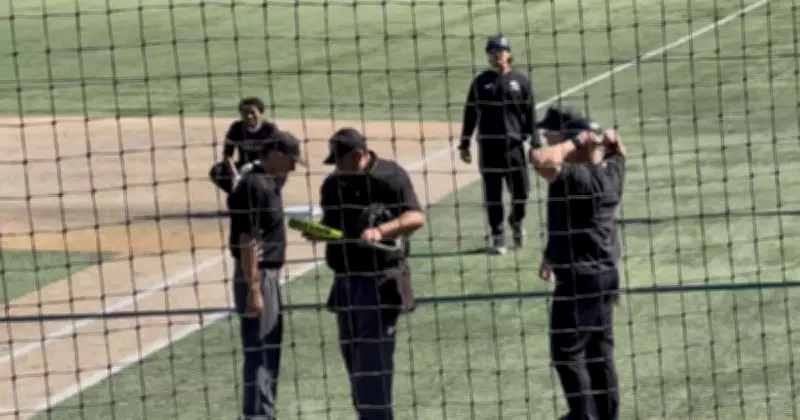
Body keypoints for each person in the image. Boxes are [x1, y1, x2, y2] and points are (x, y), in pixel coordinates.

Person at [306, 127, 425, 420]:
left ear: (358, 156)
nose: (336, 168)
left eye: (340, 161)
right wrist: (319, 233)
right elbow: (332, 224)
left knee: (373, 363)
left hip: (381, 281)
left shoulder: (391, 177)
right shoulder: (333, 185)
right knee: (354, 362)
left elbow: (415, 217)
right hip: (346, 283)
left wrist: (379, 231)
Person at [528, 105, 627, 420]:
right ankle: (606, 414)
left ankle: (585, 417)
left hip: (580, 280)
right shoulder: (613, 172)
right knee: (599, 352)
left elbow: (540, 159)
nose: (547, 138)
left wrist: (577, 141)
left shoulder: (575, 177)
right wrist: (607, 142)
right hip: (606, 276)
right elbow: (620, 152)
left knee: (567, 353)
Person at [227, 130, 306, 420]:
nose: (294, 168)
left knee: (267, 346)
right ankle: (259, 415)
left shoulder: (266, 182)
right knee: (260, 347)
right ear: (274, 155)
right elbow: (246, 239)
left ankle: (260, 412)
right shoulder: (254, 186)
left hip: (267, 275)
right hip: (258, 275)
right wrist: (255, 289)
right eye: (291, 160)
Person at [458, 35, 538, 254]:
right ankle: (498, 234)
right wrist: (464, 143)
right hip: (489, 148)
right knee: (493, 195)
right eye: (492, 52)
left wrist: (536, 142)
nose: (496, 55)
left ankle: (516, 221)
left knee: (521, 192)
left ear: (508, 53)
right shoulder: (481, 82)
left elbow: (530, 112)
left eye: (500, 51)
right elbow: (470, 113)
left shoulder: (521, 80)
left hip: (514, 148)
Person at [210, 97, 279, 194]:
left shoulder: (269, 129)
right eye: (245, 113)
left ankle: (269, 195)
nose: (249, 116)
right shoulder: (236, 128)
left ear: (261, 112)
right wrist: (235, 176)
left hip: (263, 168)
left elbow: (276, 156)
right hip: (243, 167)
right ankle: (238, 195)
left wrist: (255, 165)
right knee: (217, 171)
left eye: (252, 112)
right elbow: (228, 155)